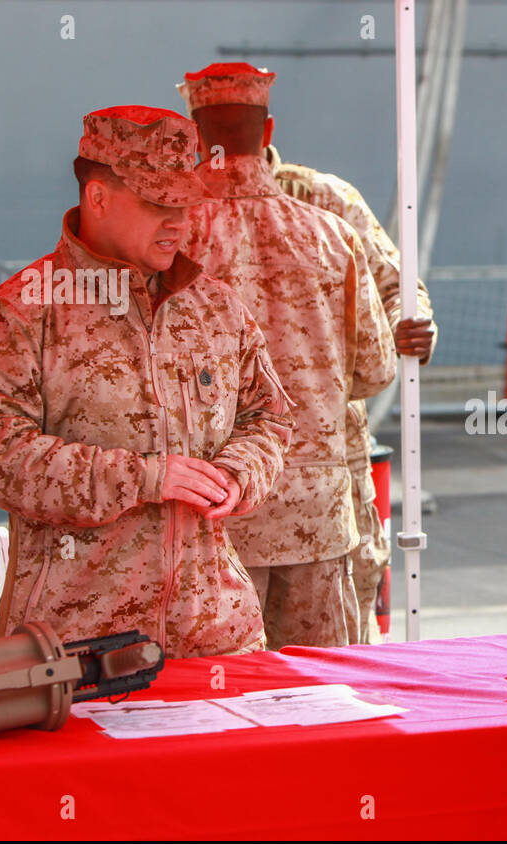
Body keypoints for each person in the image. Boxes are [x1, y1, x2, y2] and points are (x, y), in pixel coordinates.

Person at [0, 106, 294, 658]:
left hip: (215, 639)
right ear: (99, 198)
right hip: (79, 648)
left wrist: (238, 473)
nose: (179, 222)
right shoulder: (20, 312)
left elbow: (269, 416)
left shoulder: (214, 306)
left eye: (185, 203)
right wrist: (143, 478)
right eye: (159, 203)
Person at [179, 63, 397, 649]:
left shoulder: (170, 239)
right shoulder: (331, 233)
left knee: (219, 700)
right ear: (268, 129)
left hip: (217, 512)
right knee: (325, 691)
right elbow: (376, 371)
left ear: (193, 136)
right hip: (318, 516)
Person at [261, 97, 438, 645]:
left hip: (328, 467)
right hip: (229, 485)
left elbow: (396, 286)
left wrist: (412, 325)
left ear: (264, 128)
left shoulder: (322, 198)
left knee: (340, 640)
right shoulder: (185, 209)